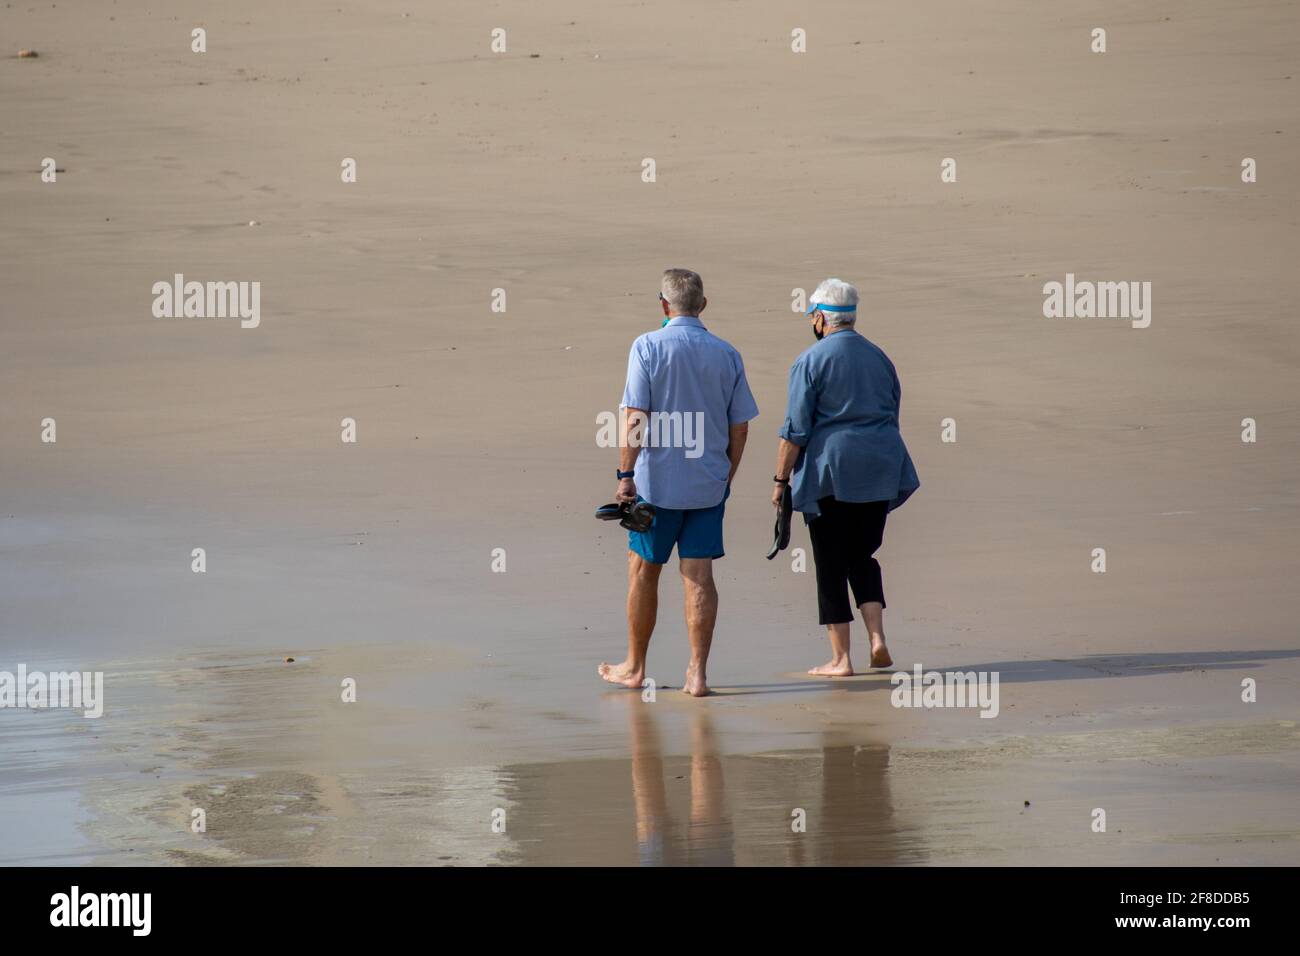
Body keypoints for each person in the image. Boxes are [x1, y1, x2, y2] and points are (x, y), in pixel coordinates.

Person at [599, 268, 759, 697]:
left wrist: (626, 476)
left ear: (663, 305)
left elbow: (635, 415)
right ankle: (698, 674)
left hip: (657, 483)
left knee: (643, 570)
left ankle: (635, 667)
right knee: (699, 575)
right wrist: (726, 475)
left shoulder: (648, 345)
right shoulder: (727, 353)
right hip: (708, 481)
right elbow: (740, 426)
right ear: (703, 306)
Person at [771, 278, 918, 676]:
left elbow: (796, 429)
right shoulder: (880, 357)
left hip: (832, 472)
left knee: (830, 562)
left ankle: (840, 659)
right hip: (880, 465)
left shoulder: (810, 361)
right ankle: (878, 639)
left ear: (820, 318)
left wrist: (780, 480)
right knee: (862, 555)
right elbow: (892, 411)